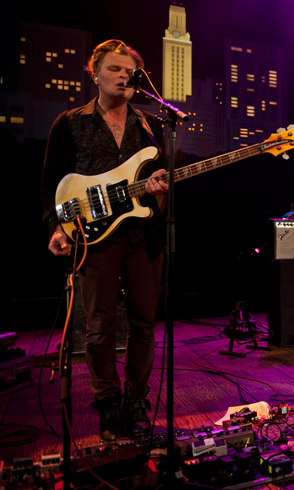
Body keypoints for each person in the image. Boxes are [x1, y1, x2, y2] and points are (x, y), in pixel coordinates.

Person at [40, 40, 168, 441]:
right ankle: (108, 403)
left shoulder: (151, 125)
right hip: (94, 239)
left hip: (142, 235)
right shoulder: (69, 123)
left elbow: (160, 182)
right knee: (99, 326)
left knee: (144, 324)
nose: (123, 76)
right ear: (94, 74)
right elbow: (50, 187)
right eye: (114, 69)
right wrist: (57, 227)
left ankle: (136, 400)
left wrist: (159, 189)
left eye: (129, 71)